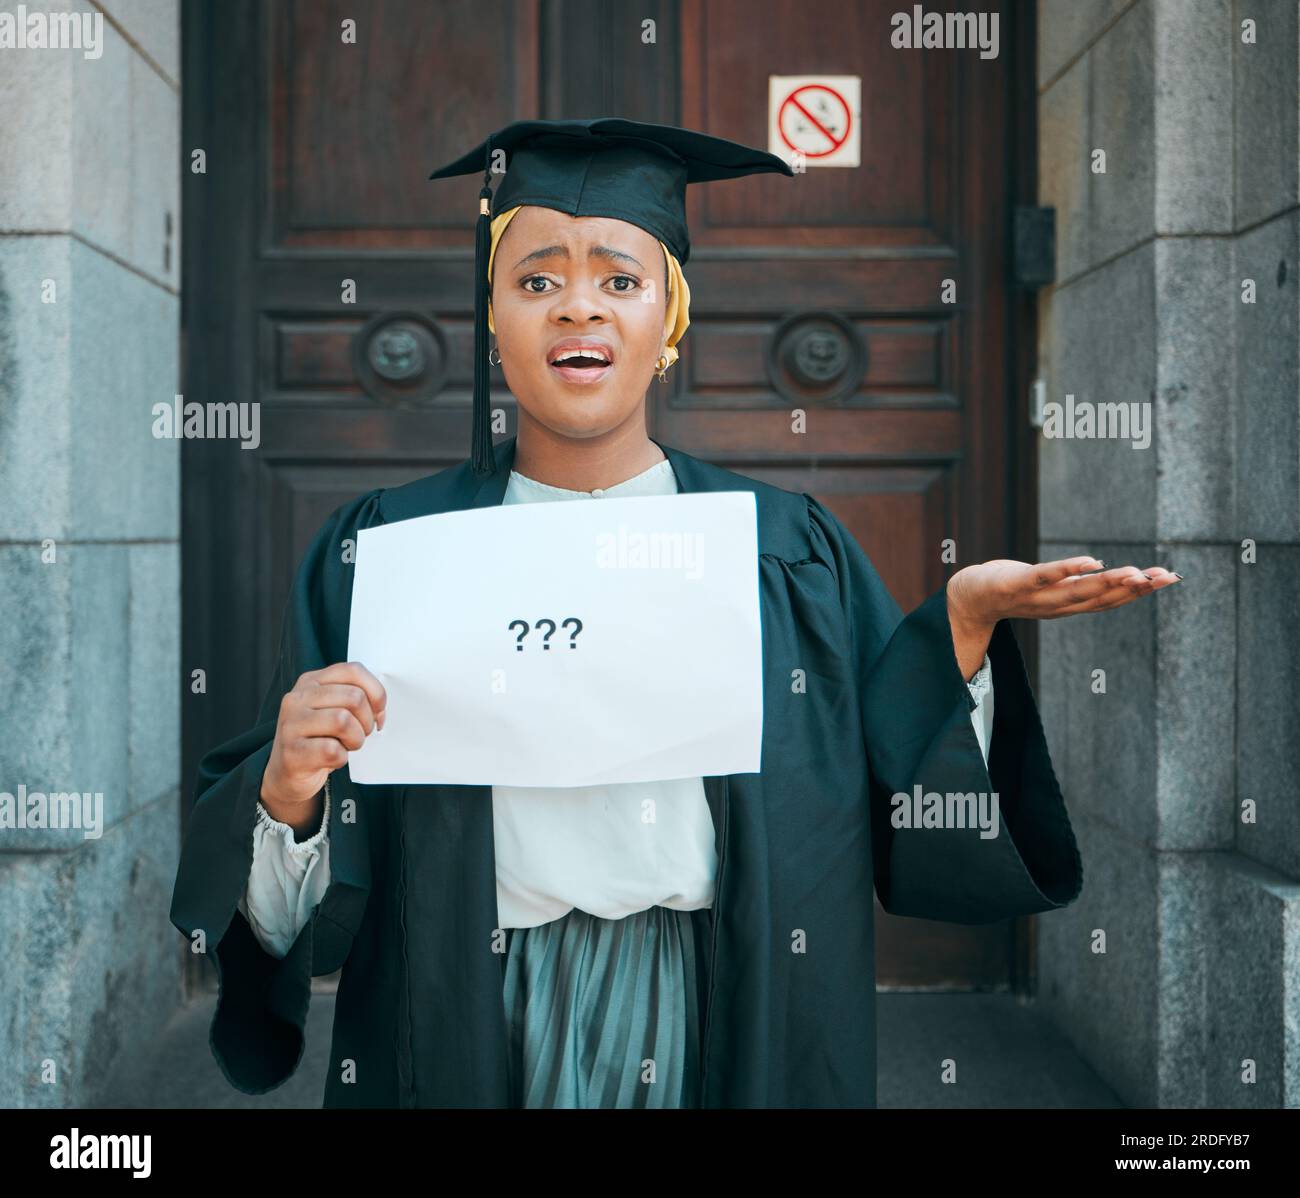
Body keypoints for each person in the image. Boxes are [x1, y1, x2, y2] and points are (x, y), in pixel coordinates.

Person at [169, 118, 1181, 1109]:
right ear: (490, 318)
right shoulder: (390, 553)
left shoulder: (780, 549)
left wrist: (954, 630)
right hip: (464, 1010)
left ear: (671, 322)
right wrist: (288, 788)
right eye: (535, 279)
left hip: (717, 1004)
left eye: (620, 278)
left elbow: (889, 784)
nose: (579, 308)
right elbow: (290, 895)